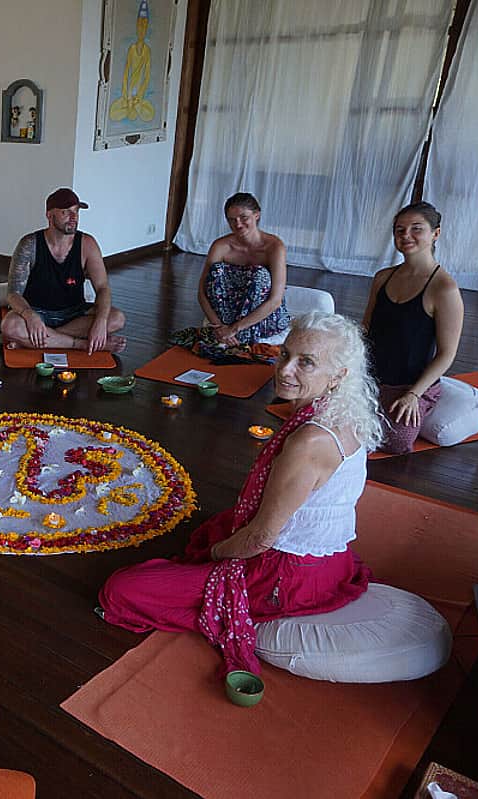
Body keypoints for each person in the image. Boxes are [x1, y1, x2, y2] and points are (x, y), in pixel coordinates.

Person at [98, 312, 383, 675]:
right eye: (285, 355)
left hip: (287, 576)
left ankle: (224, 605)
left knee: (122, 590)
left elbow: (262, 538)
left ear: (339, 375)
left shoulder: (311, 440)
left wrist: (217, 555)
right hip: (326, 561)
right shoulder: (342, 411)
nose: (285, 370)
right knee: (217, 525)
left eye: (306, 363)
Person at [362, 201, 464, 454]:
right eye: (399, 230)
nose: (406, 235)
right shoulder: (383, 277)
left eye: (416, 228)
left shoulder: (444, 289)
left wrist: (414, 394)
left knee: (396, 443)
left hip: (409, 386)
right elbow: (365, 329)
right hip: (370, 379)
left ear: (435, 234)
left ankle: (435, 397)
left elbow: (446, 354)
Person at [0, 187, 126, 354]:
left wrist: (101, 322)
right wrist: (29, 316)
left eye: (76, 212)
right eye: (66, 212)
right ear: (49, 215)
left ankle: (39, 339)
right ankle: (79, 344)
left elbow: (102, 287)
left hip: (74, 313)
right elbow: (13, 294)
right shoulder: (29, 244)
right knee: (10, 325)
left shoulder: (87, 244)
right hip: (37, 311)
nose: (74, 217)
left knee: (116, 318)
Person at [191, 192, 289, 356]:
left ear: (256, 215)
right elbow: (202, 292)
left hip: (262, 316)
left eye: (244, 217)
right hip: (228, 314)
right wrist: (219, 327)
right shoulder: (220, 246)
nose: (238, 224)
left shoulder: (274, 246)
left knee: (260, 274)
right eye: (231, 220)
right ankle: (231, 338)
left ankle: (240, 337)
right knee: (216, 271)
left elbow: (275, 301)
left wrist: (234, 329)